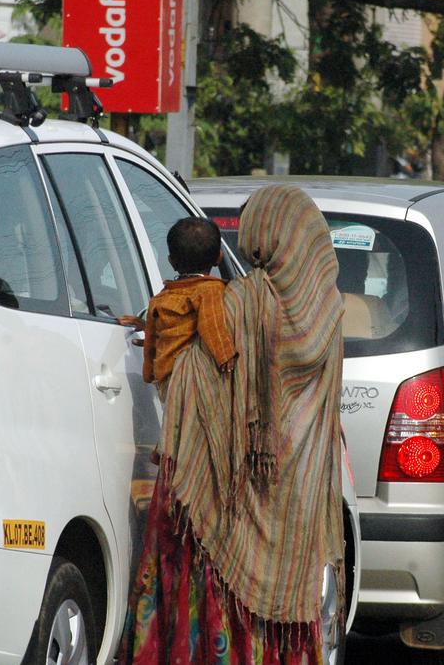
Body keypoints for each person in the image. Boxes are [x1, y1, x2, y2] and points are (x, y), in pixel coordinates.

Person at [118, 185, 345, 663]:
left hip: (227, 492)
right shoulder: (328, 310)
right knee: (281, 607)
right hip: (296, 491)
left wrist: (164, 343)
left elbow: (189, 383)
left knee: (214, 587)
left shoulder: (240, 303)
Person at [120, 216, 237, 392]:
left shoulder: (160, 298)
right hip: (194, 383)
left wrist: (149, 373)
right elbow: (212, 325)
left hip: (167, 382)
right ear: (219, 258)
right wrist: (226, 356)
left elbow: (152, 339)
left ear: (171, 262)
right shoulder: (210, 290)